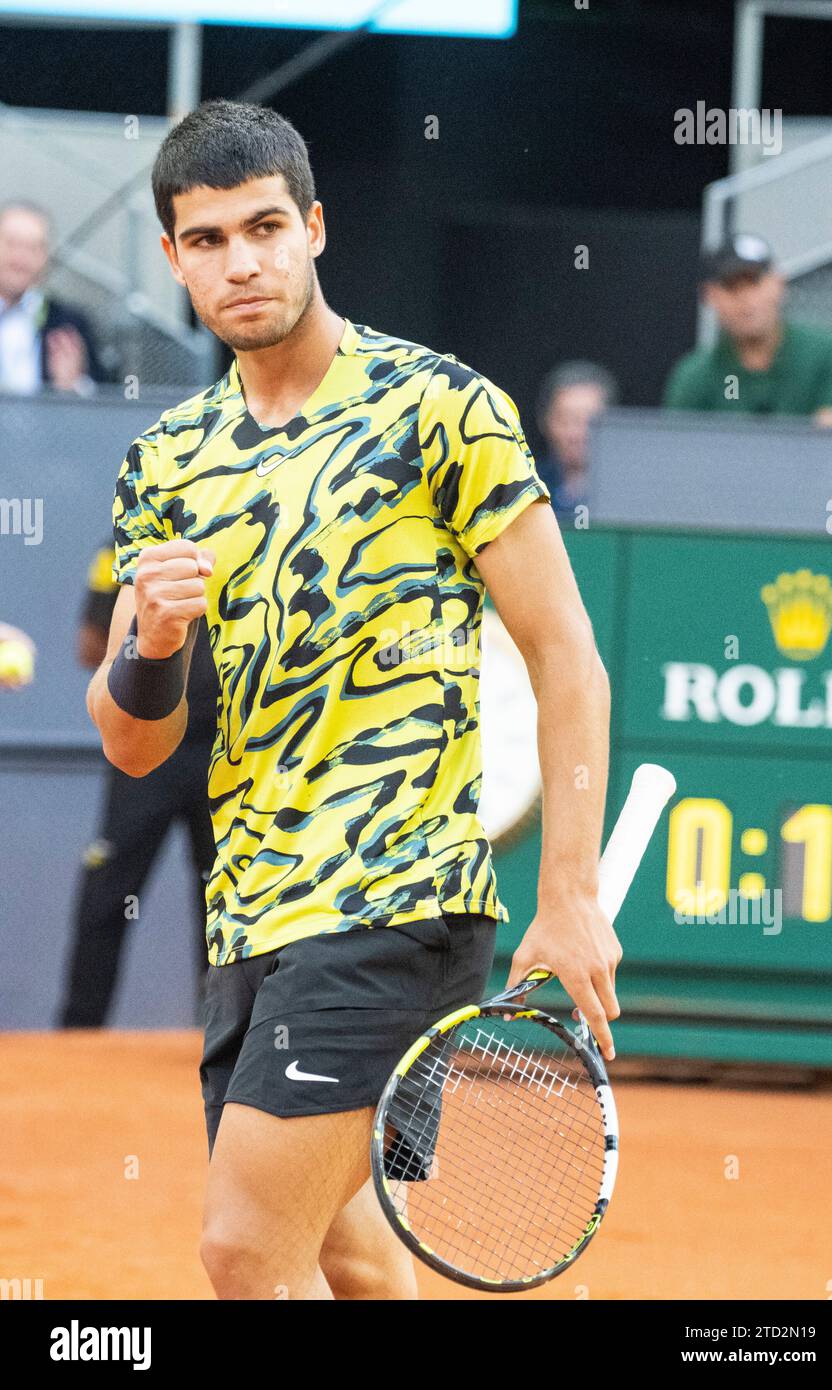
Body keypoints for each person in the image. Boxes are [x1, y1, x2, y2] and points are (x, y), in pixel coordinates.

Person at [85, 99, 618, 1302]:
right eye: (208, 239)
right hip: (252, 912)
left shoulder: (442, 408)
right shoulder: (165, 464)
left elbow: (564, 654)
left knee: (242, 1248)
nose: (243, 262)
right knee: (351, 1249)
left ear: (314, 226)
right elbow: (129, 738)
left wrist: (569, 892)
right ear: (173, 259)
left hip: (398, 898)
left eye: (265, 226)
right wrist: (155, 639)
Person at [57, 540, 217, 1028]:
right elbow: (90, 646)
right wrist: (151, 624)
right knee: (110, 890)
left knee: (221, 898)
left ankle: (218, 1033)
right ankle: (78, 1036)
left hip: (227, 755)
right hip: (144, 759)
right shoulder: (129, 544)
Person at [664, 232, 832, 425]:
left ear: (778, 284)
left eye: (754, 282)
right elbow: (681, 449)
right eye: (732, 287)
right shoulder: (697, 375)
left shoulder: (826, 355)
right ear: (710, 295)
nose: (746, 299)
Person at [0, 201, 106, 396]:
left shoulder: (70, 324)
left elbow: (108, 399)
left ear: (46, 257)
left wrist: (74, 385)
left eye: (33, 248)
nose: (20, 258)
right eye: (11, 244)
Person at [535, 361, 618, 517]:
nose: (576, 434)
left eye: (589, 422)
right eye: (565, 420)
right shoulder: (525, 489)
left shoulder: (629, 492)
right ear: (544, 421)